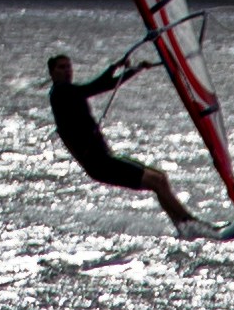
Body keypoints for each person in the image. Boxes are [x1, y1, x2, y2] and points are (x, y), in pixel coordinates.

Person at [42, 48, 199, 231]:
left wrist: (123, 69)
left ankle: (183, 226)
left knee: (160, 178)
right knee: (156, 181)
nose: (67, 70)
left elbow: (101, 85)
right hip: (98, 164)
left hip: (105, 158)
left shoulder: (70, 92)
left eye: (69, 67)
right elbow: (97, 87)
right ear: (52, 73)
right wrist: (126, 69)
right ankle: (190, 222)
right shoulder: (61, 94)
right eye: (62, 67)